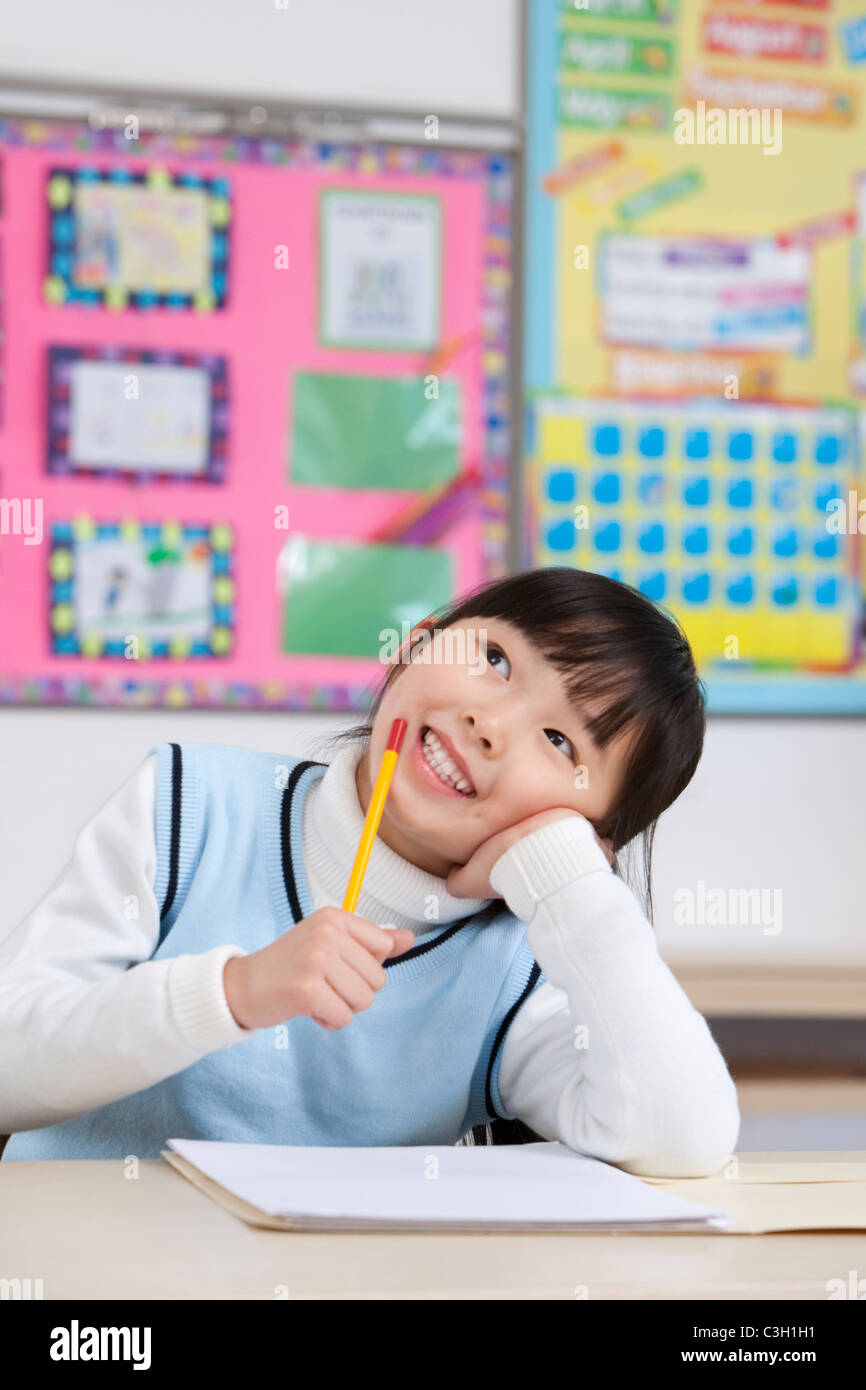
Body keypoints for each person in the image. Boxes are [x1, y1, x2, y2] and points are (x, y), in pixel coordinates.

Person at [0, 567, 739, 1174]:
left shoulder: (511, 974)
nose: (491, 725)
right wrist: (233, 992)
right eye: (496, 661)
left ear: (584, 836)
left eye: (559, 742)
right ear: (417, 647)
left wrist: (572, 882)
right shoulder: (186, 805)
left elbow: (683, 1137)